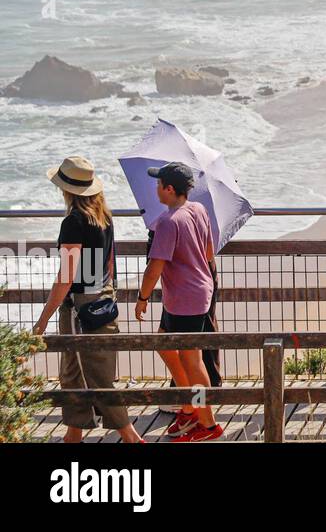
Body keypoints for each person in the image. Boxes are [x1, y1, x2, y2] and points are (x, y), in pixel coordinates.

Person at [32, 156, 142, 443]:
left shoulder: (74, 222)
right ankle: (74, 434)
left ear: (67, 189)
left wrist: (42, 321)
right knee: (74, 372)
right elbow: (106, 265)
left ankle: (130, 437)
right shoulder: (103, 217)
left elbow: (66, 277)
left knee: (95, 377)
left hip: (80, 308)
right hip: (102, 301)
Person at [134, 161, 222, 442]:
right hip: (193, 293)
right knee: (165, 344)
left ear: (169, 189)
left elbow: (154, 268)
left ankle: (207, 424)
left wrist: (142, 297)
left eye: (158, 184)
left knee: (193, 362)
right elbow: (209, 250)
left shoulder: (168, 223)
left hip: (187, 300)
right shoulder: (198, 210)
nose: (156, 188)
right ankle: (188, 405)